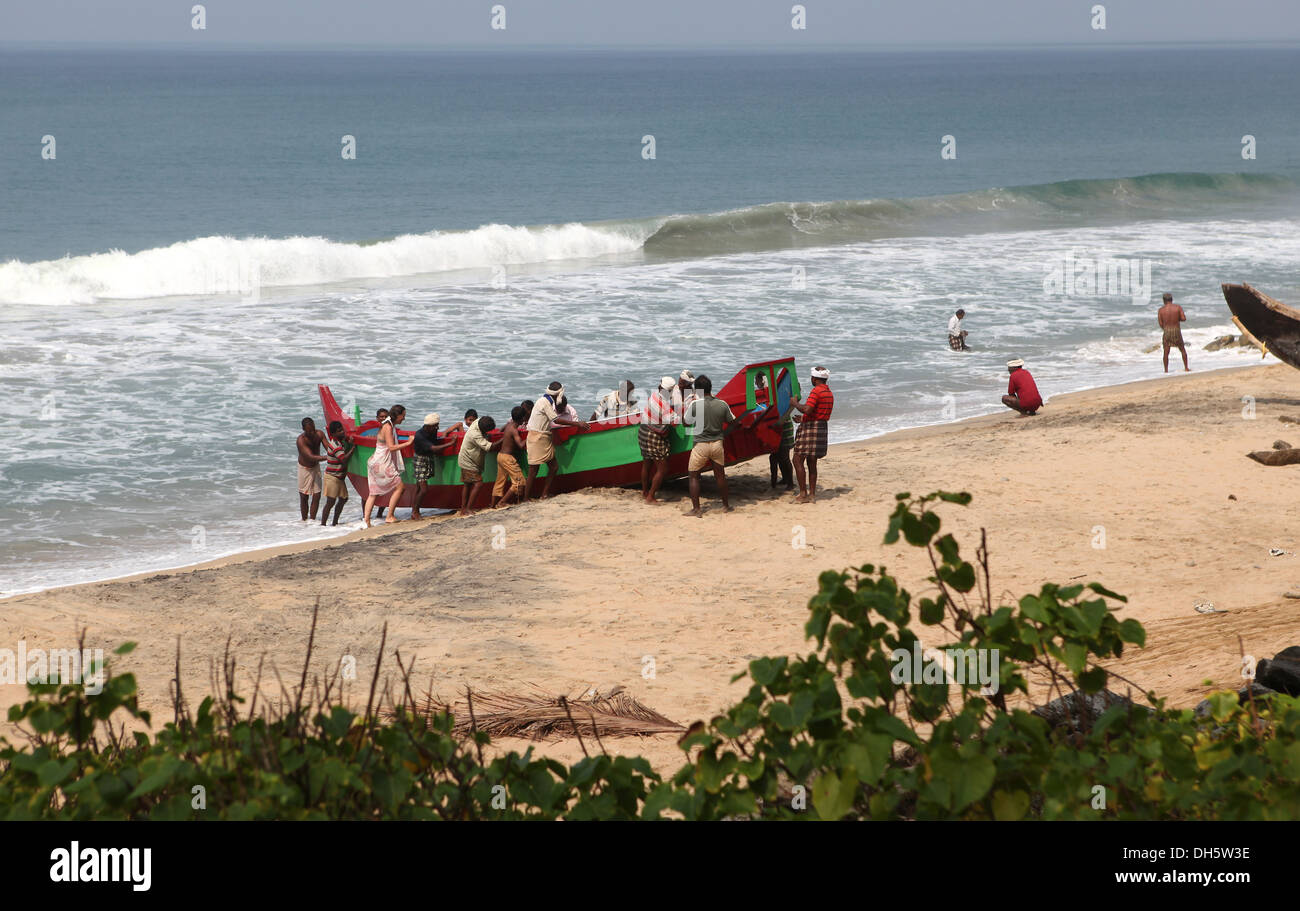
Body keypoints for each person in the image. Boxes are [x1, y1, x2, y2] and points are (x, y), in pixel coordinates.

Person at [683, 374, 738, 517]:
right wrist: (723, 433)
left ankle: (697, 509)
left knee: (693, 476)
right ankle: (726, 506)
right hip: (717, 444)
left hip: (700, 445)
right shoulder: (722, 404)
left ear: (698, 390)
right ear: (710, 388)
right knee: (720, 476)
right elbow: (734, 422)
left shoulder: (695, 405)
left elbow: (685, 422)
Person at [525, 382, 590, 500]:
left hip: (544, 438)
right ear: (559, 394)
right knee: (533, 471)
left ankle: (544, 494)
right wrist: (577, 424)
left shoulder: (546, 400)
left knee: (553, 467)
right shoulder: (545, 403)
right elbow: (556, 420)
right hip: (537, 438)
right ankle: (525, 498)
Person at [790, 366, 834, 504]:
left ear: (814, 379)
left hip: (811, 429)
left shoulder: (816, 391)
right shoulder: (829, 393)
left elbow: (807, 409)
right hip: (821, 427)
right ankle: (812, 495)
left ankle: (803, 494)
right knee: (812, 461)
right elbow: (818, 414)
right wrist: (802, 419)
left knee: (797, 460)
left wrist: (795, 403)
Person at [363, 404, 408, 526]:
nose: (404, 418)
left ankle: (366, 521)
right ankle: (390, 516)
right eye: (403, 415)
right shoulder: (387, 427)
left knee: (373, 493)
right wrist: (409, 443)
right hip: (382, 462)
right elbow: (392, 447)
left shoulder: (388, 425)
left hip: (376, 461)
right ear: (397, 415)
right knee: (400, 487)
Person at [639, 376, 677, 504]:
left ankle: (644, 492)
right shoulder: (664, 404)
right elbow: (675, 422)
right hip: (653, 435)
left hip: (643, 430)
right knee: (663, 469)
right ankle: (650, 496)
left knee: (647, 464)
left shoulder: (654, 395)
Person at [410, 413, 455, 519]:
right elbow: (434, 448)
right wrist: (451, 443)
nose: (437, 428)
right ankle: (415, 511)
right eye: (435, 426)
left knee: (418, 487)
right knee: (424, 489)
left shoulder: (432, 431)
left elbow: (435, 442)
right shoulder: (420, 435)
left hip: (427, 458)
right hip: (420, 460)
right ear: (428, 426)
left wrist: (444, 438)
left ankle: (414, 510)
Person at [755, 374, 793, 490]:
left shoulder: (771, 393)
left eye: (756, 381)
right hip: (776, 427)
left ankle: (789, 482)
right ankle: (783, 480)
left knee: (783, 456)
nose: (755, 384)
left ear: (762, 380)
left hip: (783, 427)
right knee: (777, 455)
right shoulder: (768, 393)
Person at [458, 415, 500, 515]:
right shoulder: (475, 434)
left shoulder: (478, 421)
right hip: (469, 461)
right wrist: (505, 437)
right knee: (478, 483)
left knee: (467, 484)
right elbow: (489, 447)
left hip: (465, 458)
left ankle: (463, 509)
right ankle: (468, 508)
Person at [491, 406, 528, 507]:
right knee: (519, 481)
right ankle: (502, 502)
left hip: (500, 456)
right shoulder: (514, 430)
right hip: (507, 458)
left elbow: (501, 430)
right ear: (522, 418)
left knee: (499, 482)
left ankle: (492, 505)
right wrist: (529, 436)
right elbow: (520, 445)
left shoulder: (508, 425)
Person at [320, 420, 355, 526]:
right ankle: (323, 525)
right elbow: (343, 459)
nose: (342, 432)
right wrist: (353, 447)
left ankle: (334, 522)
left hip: (339, 477)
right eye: (339, 431)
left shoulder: (339, 441)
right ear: (333, 434)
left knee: (344, 499)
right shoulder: (335, 445)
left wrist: (348, 440)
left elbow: (345, 439)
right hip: (332, 477)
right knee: (330, 502)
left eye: (342, 430)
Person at [296, 417, 329, 521]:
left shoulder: (319, 434)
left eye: (313, 429)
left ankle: (312, 521)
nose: (312, 432)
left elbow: (328, 447)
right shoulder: (301, 440)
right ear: (303, 429)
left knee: (317, 495)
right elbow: (310, 457)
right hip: (304, 469)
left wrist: (336, 452)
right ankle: (304, 520)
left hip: (315, 467)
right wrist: (328, 457)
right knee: (304, 496)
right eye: (309, 430)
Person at [1158, 292, 1189, 373]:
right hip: (1176, 330)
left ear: (1164, 301)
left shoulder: (1161, 310)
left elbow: (1161, 324)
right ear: (1172, 300)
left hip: (1167, 331)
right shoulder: (1178, 307)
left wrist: (1166, 328)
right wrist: (1176, 319)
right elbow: (1184, 318)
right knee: (1182, 350)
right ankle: (1186, 368)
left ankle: (1166, 370)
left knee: (1166, 352)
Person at [373, 409, 390, 517]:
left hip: (384, 462)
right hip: (376, 462)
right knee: (371, 490)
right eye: (381, 417)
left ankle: (379, 514)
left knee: (385, 489)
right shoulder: (378, 429)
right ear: (377, 418)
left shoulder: (388, 428)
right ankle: (366, 515)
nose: (383, 418)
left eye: (385, 416)